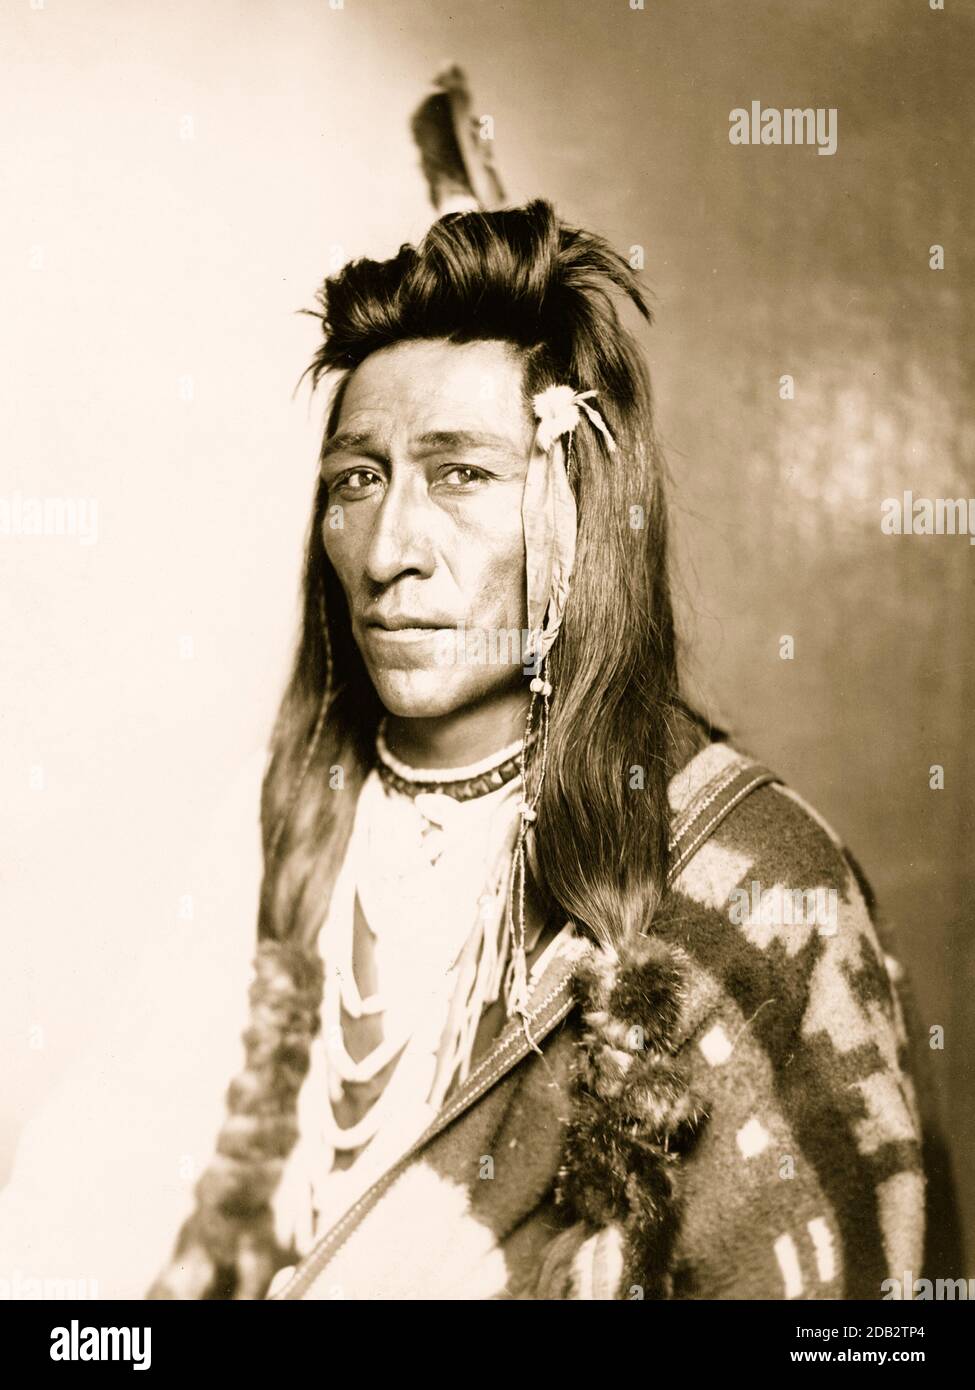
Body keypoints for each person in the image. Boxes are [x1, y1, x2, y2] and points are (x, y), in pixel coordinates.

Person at [148, 199, 929, 1301]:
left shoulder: (761, 884)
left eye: (460, 473)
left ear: (576, 509)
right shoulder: (283, 822)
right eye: (357, 478)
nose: (388, 549)